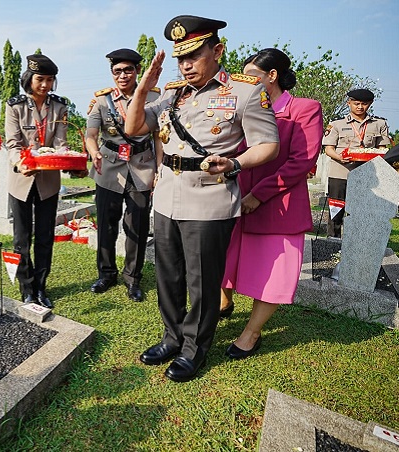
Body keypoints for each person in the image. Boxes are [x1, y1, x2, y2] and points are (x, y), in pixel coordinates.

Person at [125, 15, 280, 382]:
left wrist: (235, 162)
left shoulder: (245, 91)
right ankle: (172, 336)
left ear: (218, 50)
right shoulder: (171, 94)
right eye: (181, 58)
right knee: (168, 275)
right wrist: (144, 87)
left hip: (210, 198)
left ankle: (194, 348)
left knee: (202, 281)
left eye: (194, 55)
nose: (186, 64)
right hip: (167, 196)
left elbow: (268, 145)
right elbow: (133, 128)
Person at [219, 48, 323, 358]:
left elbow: (301, 161)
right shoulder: (242, 107)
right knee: (224, 260)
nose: (244, 84)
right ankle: (223, 302)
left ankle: (251, 334)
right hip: (236, 199)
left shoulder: (304, 109)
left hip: (279, 204)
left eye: (252, 77)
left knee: (272, 273)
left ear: (272, 76)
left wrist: (259, 194)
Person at [6, 54, 85, 309]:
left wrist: (70, 163)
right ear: (29, 79)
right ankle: (26, 288)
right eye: (40, 79)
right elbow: (13, 143)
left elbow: (61, 143)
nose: (45, 85)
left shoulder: (60, 107)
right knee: (21, 238)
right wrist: (20, 163)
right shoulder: (15, 106)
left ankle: (41, 286)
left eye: (50, 80)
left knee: (43, 236)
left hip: (48, 182)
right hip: (22, 180)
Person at [86, 48, 160, 302]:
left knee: (137, 226)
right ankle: (106, 274)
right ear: (112, 74)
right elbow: (90, 135)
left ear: (137, 71)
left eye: (128, 69)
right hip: (108, 168)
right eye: (117, 71)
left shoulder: (153, 97)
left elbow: (158, 138)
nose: (123, 75)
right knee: (106, 224)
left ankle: (133, 278)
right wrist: (93, 152)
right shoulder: (101, 101)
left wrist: (159, 170)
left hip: (141, 166)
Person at [322, 88, 391, 238]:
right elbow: (329, 149)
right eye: (356, 103)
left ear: (370, 104)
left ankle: (358, 244)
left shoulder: (379, 124)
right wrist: (339, 157)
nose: (360, 107)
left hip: (367, 174)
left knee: (363, 210)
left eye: (364, 104)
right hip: (340, 171)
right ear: (349, 103)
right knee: (336, 209)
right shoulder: (336, 124)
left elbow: (382, 148)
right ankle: (333, 240)